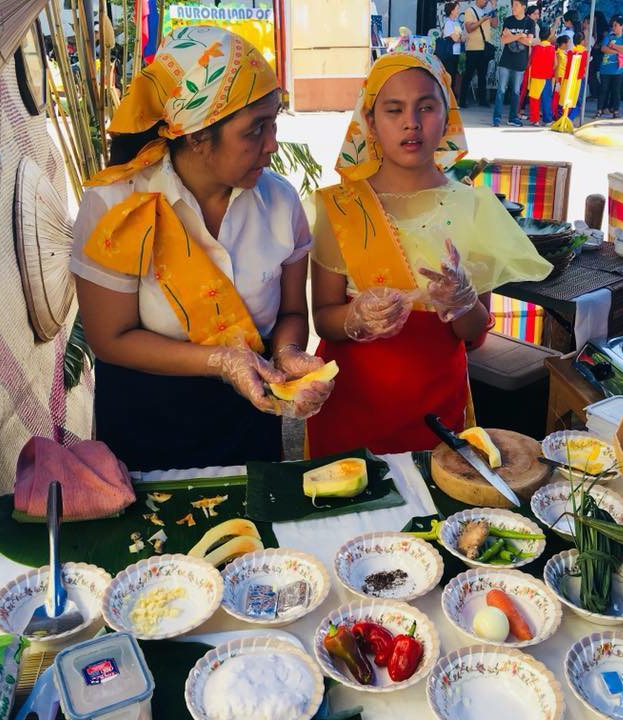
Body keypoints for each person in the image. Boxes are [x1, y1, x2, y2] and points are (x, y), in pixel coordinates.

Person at [70, 27, 331, 471]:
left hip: (251, 418)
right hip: (147, 421)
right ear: (195, 134)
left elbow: (290, 314)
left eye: (274, 123)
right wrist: (222, 361)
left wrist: (287, 354)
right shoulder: (118, 204)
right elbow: (108, 339)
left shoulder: (281, 202)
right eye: (255, 130)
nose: (271, 145)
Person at [306, 50, 552, 457]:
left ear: (447, 115)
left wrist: (463, 302)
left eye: (426, 107)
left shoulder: (472, 206)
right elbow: (325, 319)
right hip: (351, 405)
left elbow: (474, 330)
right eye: (393, 109)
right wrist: (357, 316)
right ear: (369, 120)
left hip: (437, 408)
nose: (411, 123)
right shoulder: (342, 207)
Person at [493, 0, 535, 127]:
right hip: (505, 61)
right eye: (513, 5)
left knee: (516, 91)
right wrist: (518, 36)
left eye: (516, 5)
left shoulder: (530, 22)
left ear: (523, 7)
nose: (513, 8)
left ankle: (512, 118)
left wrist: (512, 35)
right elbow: (503, 40)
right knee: (501, 89)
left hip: (520, 62)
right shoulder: (508, 20)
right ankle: (496, 117)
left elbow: (529, 42)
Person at [462, 0, 497, 106]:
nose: (486, 1)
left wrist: (494, 8)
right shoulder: (470, 11)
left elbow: (495, 24)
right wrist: (482, 20)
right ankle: (462, 100)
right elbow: (469, 28)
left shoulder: (488, 11)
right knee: (469, 74)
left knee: (483, 75)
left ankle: (482, 100)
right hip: (473, 48)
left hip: (484, 48)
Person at [596, 15, 623, 118]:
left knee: (616, 91)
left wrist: (612, 46)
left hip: (619, 69)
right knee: (603, 90)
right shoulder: (609, 36)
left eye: (616, 25)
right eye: (613, 25)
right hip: (606, 69)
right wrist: (617, 51)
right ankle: (599, 110)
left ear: (622, 26)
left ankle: (616, 111)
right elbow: (603, 49)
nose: (614, 28)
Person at [528, 25, 556, 125]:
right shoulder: (552, 48)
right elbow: (555, 64)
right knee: (546, 99)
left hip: (536, 76)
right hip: (547, 77)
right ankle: (547, 120)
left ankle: (535, 120)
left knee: (535, 98)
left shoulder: (535, 47)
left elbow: (530, 61)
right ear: (549, 36)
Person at [437, 1, 463, 91]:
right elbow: (456, 38)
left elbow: (462, 38)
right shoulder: (448, 23)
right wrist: (460, 37)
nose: (458, 11)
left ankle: (451, 96)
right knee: (449, 76)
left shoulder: (456, 23)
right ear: (451, 11)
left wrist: (460, 37)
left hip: (456, 52)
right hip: (449, 54)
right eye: (457, 9)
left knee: (454, 76)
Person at [552, 34, 571, 116]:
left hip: (562, 77)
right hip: (558, 78)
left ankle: (556, 113)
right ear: (563, 44)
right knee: (556, 97)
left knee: (559, 97)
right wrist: (557, 82)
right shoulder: (558, 54)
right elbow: (557, 67)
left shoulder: (563, 53)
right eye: (568, 43)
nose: (569, 45)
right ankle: (553, 114)